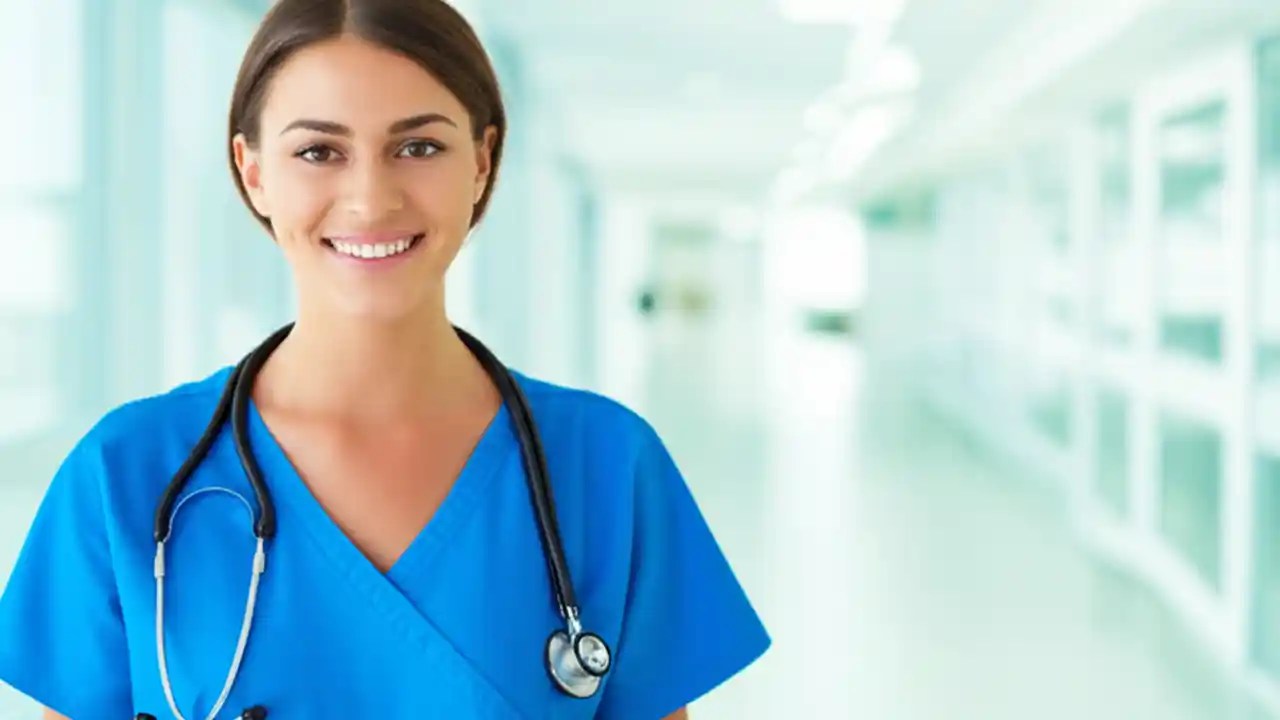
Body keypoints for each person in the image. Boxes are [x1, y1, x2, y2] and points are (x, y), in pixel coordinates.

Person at [0, 0, 770, 718]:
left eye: (418, 146)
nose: (371, 199)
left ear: (481, 160)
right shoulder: (128, 472)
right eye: (318, 151)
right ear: (254, 171)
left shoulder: (606, 465)